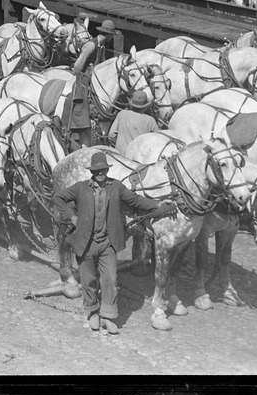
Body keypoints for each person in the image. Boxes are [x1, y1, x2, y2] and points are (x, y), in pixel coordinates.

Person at [53, 151, 174, 334]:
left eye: (102, 169)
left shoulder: (117, 187)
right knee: (88, 279)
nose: (100, 173)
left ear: (107, 170)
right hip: (86, 243)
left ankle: (108, 316)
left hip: (108, 243)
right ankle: (92, 312)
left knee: (110, 279)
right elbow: (58, 198)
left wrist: (158, 205)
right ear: (92, 171)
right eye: (96, 170)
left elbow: (136, 200)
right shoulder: (80, 188)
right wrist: (72, 217)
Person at [68, 19, 121, 148]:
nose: (111, 38)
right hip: (84, 78)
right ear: (109, 35)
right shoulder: (91, 45)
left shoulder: (101, 46)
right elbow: (78, 66)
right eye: (111, 36)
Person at [112, 90, 159, 155]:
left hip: (120, 156)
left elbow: (111, 135)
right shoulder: (150, 120)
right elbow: (156, 142)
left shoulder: (122, 114)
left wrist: (120, 146)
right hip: (138, 157)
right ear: (145, 107)